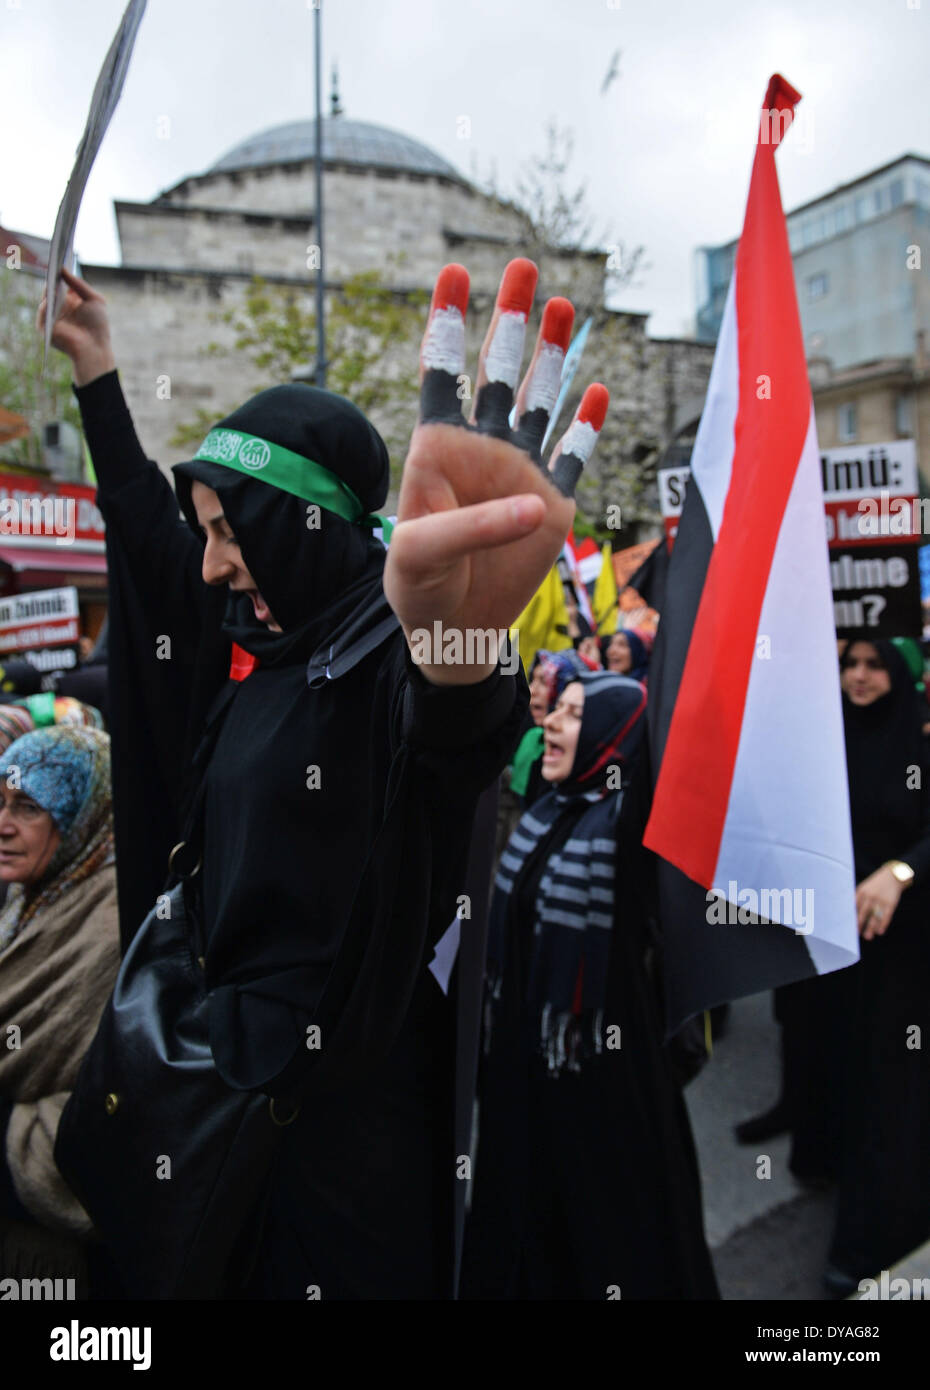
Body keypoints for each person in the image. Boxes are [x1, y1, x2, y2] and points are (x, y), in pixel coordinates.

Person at [42, 261, 609, 1299]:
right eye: (209, 532)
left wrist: (453, 634)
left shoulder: (388, 647)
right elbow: (152, 542)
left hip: (332, 1174)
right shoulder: (272, 632)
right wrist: (96, 370)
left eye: (228, 532)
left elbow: (449, 741)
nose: (211, 565)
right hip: (226, 1120)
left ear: (292, 528)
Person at [462, 671, 718, 1299]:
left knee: (605, 1242)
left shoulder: (632, 826)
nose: (549, 721)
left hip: (601, 1083)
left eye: (574, 715)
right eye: (558, 709)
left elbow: (681, 755)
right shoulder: (547, 809)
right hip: (523, 1075)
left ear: (614, 738)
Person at [737, 638, 930, 1296]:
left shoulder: (919, 741)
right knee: (825, 1053)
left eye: (875, 666)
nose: (859, 677)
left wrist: (901, 873)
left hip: (900, 946)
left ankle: (870, 1240)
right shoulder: (827, 737)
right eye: (851, 665)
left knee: (887, 1086)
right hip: (828, 936)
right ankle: (824, 1159)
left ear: (898, 676)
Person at [0, 727, 119, 1291]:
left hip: (55, 1219)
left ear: (82, 814)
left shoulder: (110, 922)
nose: (3, 824)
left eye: (29, 806)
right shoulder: (30, 895)